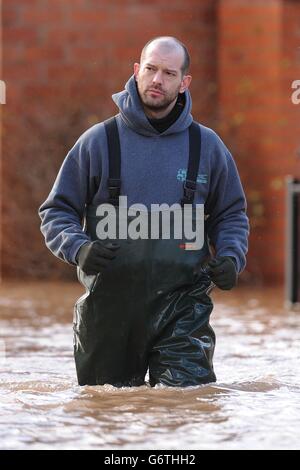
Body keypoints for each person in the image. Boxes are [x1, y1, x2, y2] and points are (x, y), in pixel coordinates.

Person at [39, 36, 249, 387]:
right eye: (150, 69)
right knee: (109, 408)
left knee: (185, 402)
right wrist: (79, 248)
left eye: (169, 73)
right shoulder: (97, 141)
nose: (157, 80)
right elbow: (56, 211)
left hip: (184, 310)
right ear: (136, 71)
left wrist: (231, 257)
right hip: (109, 312)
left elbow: (231, 214)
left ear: (184, 83)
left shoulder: (207, 146)